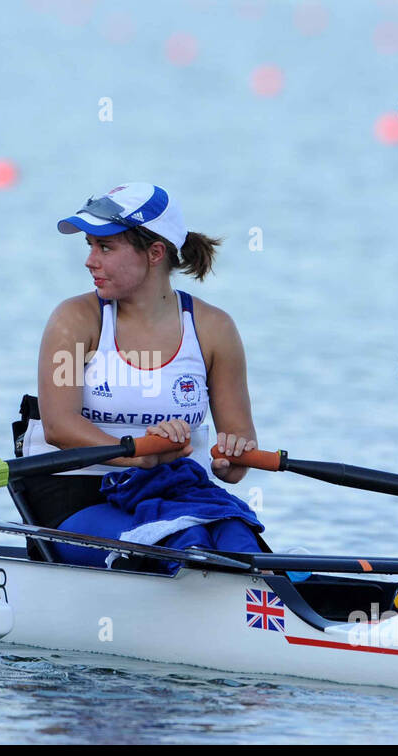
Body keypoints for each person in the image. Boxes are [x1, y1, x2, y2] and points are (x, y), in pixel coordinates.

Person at [18, 183, 265, 569]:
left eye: (105, 247)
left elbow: (239, 449)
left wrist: (231, 460)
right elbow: (59, 427)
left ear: (154, 253)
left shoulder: (215, 329)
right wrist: (141, 455)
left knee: (239, 542)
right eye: (90, 245)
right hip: (78, 495)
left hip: (174, 490)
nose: (90, 261)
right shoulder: (75, 320)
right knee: (188, 542)